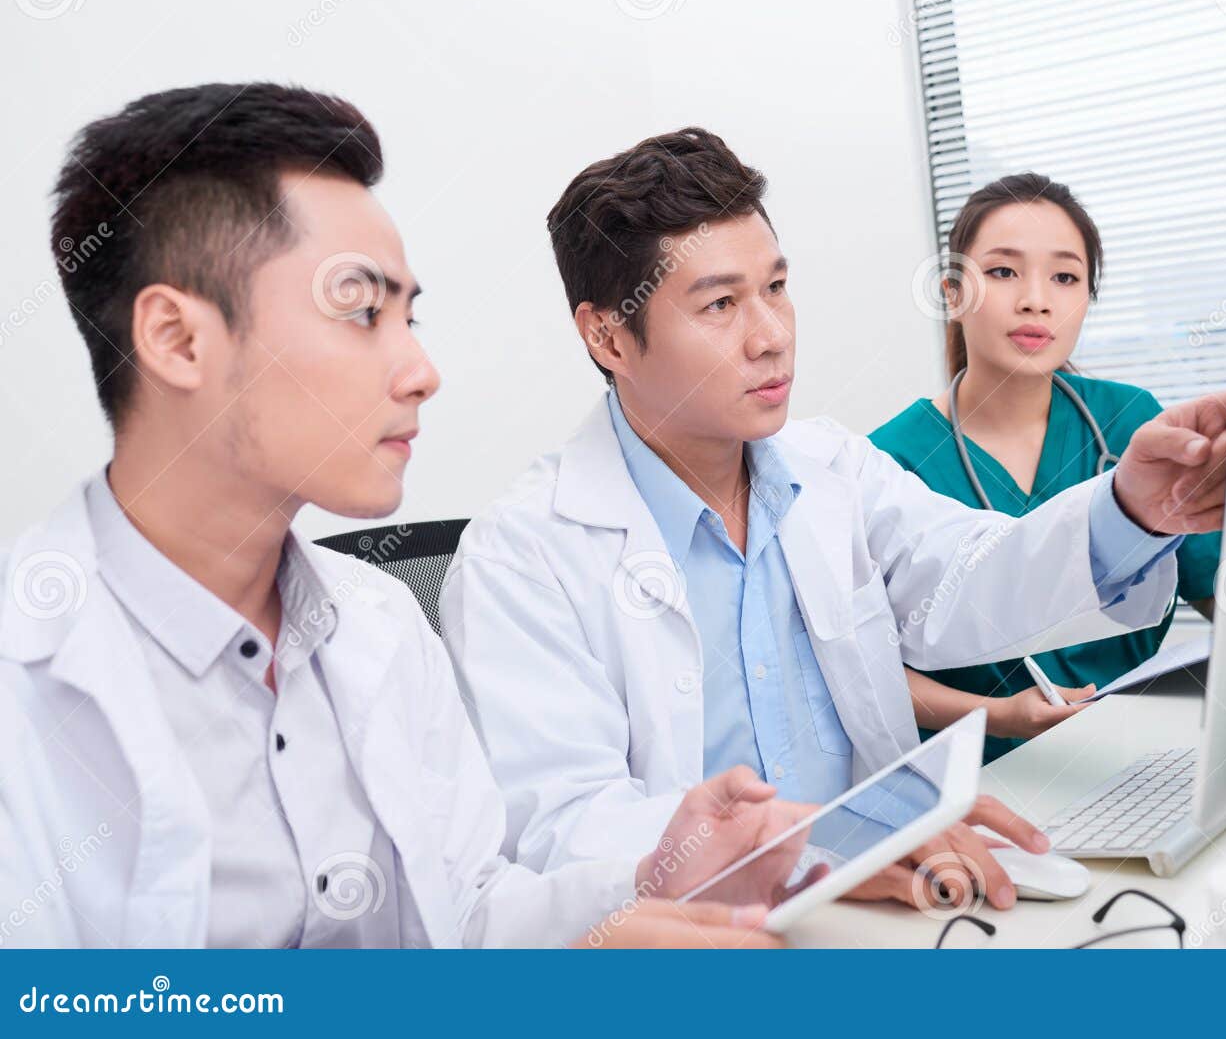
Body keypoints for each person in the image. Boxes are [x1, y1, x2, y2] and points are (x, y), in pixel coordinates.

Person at [0, 84, 802, 949]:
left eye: (408, 316)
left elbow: (467, 919)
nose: (421, 370)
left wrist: (637, 891)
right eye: (360, 313)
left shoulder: (379, 626)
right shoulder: (27, 687)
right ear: (177, 340)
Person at [441, 128, 1226, 911]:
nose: (772, 336)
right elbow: (565, 831)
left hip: (886, 905)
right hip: (709, 947)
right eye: (721, 303)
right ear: (608, 335)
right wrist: (821, 853)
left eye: (776, 288)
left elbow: (970, 577)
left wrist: (1135, 507)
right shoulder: (522, 557)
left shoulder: (830, 468)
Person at [871, 174, 1221, 763]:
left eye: (1065, 277)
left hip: (1141, 757)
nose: (1037, 299)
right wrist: (1004, 716)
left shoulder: (1133, 423)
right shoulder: (889, 461)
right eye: (1004, 271)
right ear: (953, 294)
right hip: (982, 776)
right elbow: (865, 673)